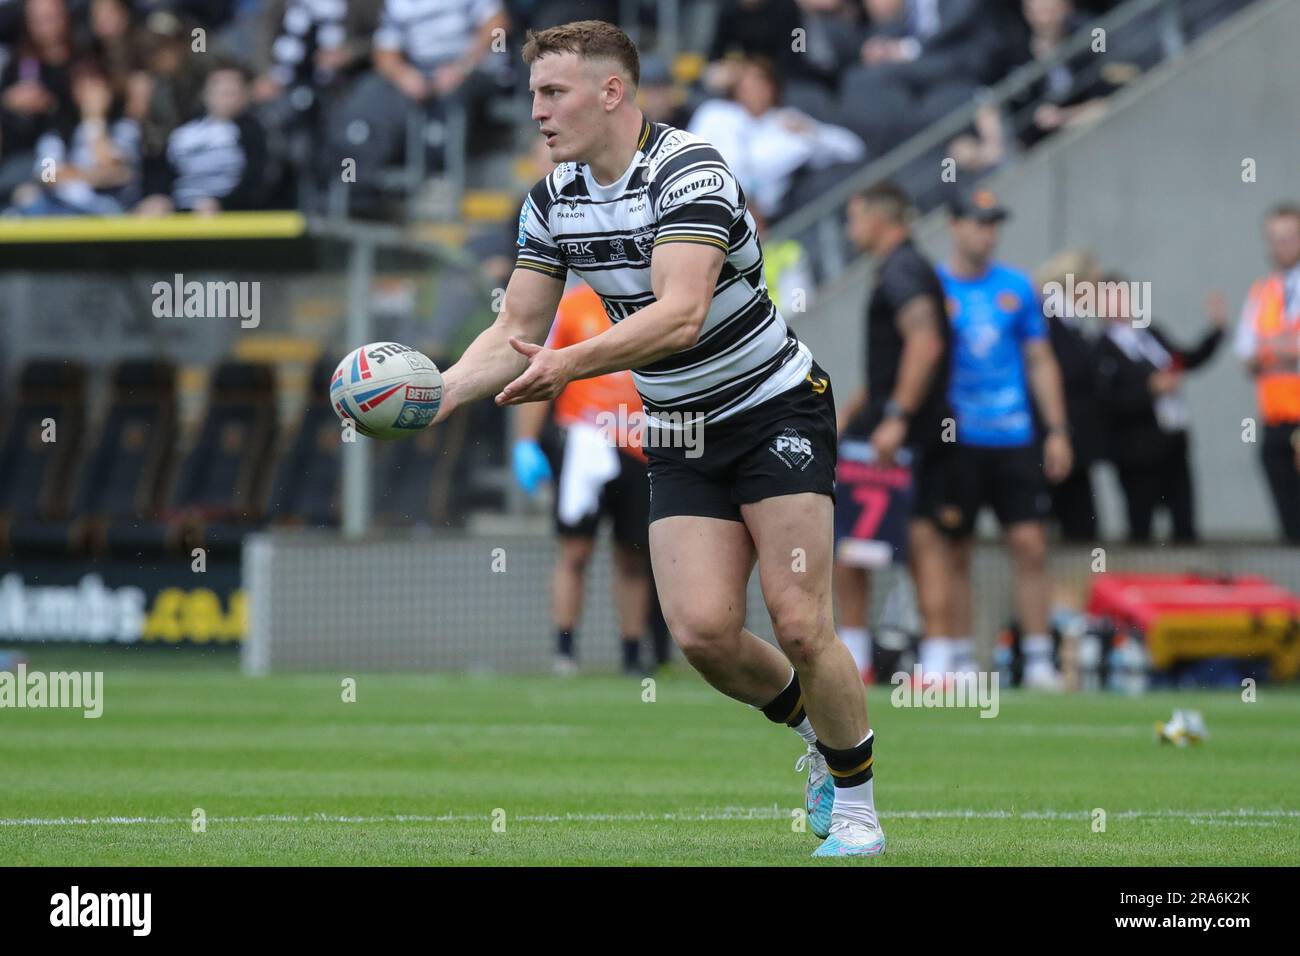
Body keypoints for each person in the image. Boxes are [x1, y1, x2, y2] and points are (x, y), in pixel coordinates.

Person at [428, 20, 883, 857]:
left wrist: (565, 366)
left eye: (552, 92)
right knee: (705, 633)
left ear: (612, 93)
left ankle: (858, 809)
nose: (536, 111)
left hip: (774, 408)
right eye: (533, 93)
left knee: (797, 621)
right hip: (676, 427)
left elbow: (677, 317)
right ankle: (817, 737)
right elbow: (514, 328)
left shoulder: (691, 172)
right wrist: (435, 394)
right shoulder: (552, 198)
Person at [935, 189, 1073, 689]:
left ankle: (1038, 659)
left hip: (1013, 436)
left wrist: (1056, 430)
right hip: (957, 439)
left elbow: (1040, 360)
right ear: (954, 225)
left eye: (993, 222)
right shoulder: (935, 286)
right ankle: (961, 659)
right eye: (977, 222)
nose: (986, 232)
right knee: (955, 549)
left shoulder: (1017, 287)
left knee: (1031, 544)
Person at [835, 181, 953, 685]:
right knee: (867, 545)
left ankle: (879, 658)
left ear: (874, 215)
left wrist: (897, 416)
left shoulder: (903, 268)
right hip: (898, 425)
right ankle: (912, 660)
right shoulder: (903, 266)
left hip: (903, 434)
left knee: (907, 543)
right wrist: (852, 412)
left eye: (852, 216)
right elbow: (891, 360)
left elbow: (924, 343)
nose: (848, 228)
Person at [512, 281, 658, 677]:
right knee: (574, 550)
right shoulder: (572, 307)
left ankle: (631, 654)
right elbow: (538, 372)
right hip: (583, 442)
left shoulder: (653, 302)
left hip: (638, 443)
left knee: (633, 554)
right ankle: (564, 651)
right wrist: (525, 441)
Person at [1095, 277, 1224, 543]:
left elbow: (1183, 359)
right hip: (1137, 453)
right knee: (1141, 527)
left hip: (1173, 445)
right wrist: (1149, 389)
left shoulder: (1150, 334)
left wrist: (1215, 333)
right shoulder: (1101, 349)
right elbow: (1108, 401)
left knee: (1184, 525)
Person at [1232, 203, 1300, 541]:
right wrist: (1283, 349)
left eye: (1290, 237)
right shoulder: (1262, 293)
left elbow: (1265, 350)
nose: (1282, 246)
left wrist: (1272, 349)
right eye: (1275, 238)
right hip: (1276, 422)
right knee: (1290, 525)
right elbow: (1247, 357)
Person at [136, 62, 268, 214]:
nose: (224, 95)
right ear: (206, 93)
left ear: (244, 95)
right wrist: (157, 196)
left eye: (231, 91)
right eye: (219, 89)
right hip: (179, 207)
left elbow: (256, 178)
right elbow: (163, 171)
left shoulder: (253, 131)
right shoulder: (184, 132)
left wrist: (223, 204)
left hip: (224, 210)